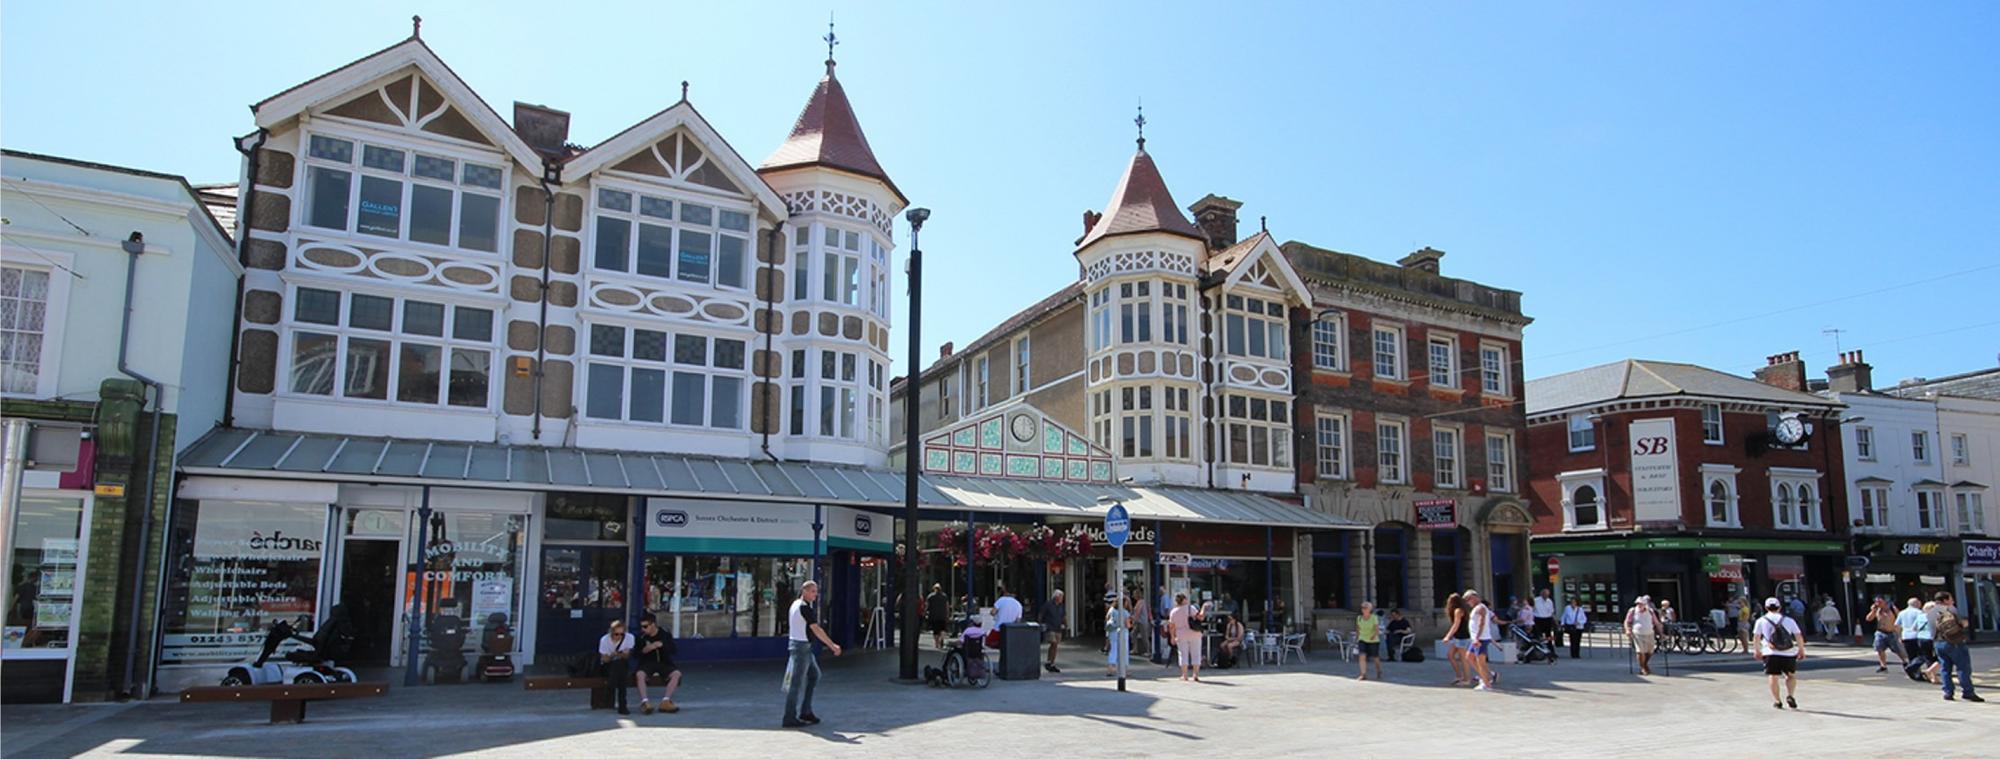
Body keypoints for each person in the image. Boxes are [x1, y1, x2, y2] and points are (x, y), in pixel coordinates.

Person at [782, 580, 841, 728]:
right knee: (796, 683)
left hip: (801, 646)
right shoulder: (804, 608)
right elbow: (816, 629)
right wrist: (832, 645)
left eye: (816, 591)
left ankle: (805, 711)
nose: (816, 595)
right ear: (805, 591)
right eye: (813, 591)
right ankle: (789, 717)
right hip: (801, 647)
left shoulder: (796, 604)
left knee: (814, 675)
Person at [1927, 591, 1982, 702]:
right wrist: (1965, 623)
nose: (1952, 601)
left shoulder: (1930, 612)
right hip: (1954, 642)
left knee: (1945, 668)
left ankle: (1948, 692)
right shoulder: (1950, 609)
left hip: (1938, 642)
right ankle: (1968, 692)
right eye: (1951, 598)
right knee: (1963, 667)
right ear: (1945, 600)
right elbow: (1961, 624)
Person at [1751, 596, 1805, 710]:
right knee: (1790, 675)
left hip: (1770, 652)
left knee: (1773, 676)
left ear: (1766, 607)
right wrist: (1801, 649)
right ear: (1779, 607)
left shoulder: (1761, 621)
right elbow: (1798, 635)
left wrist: (1757, 650)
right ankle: (1790, 695)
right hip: (1788, 652)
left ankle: (1777, 701)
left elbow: (1756, 637)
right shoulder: (1789, 620)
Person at [633, 615, 681, 715]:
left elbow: (674, 650)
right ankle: (645, 702)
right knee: (640, 675)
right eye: (642, 627)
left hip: (663, 662)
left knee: (676, 674)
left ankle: (666, 701)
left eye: (645, 626)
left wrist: (662, 645)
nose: (643, 629)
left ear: (653, 625)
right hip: (647, 663)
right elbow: (635, 654)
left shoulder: (665, 634)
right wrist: (644, 650)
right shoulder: (641, 637)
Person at [598, 619, 636, 715]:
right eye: (616, 634)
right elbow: (605, 659)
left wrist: (620, 655)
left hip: (622, 664)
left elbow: (627, 656)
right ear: (611, 633)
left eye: (621, 634)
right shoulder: (604, 640)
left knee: (620, 667)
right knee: (618, 670)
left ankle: (610, 688)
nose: (619, 637)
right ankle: (622, 705)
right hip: (608, 666)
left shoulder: (629, 638)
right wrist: (612, 655)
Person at [1168, 592, 1205, 682]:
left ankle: (1184, 675)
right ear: (1184, 600)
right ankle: (1195, 674)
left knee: (1183, 654)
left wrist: (1172, 637)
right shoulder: (1191, 608)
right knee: (1196, 653)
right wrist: (1203, 607)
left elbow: (1172, 626)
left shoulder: (1173, 611)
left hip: (1181, 634)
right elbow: (1201, 617)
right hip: (1194, 633)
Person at [1863, 596, 1905, 672]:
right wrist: (1873, 611)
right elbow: (1868, 619)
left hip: (1891, 632)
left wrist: (1900, 632)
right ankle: (1883, 665)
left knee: (1897, 649)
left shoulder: (1892, 608)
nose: (1877, 603)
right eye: (1876, 602)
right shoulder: (1877, 610)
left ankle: (1905, 661)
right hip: (1880, 632)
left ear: (1885, 602)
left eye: (1879, 602)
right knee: (1879, 648)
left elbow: (1900, 618)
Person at [1466, 590, 1497, 691]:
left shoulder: (1481, 608)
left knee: (1481, 661)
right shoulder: (1477, 608)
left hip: (1481, 639)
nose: (1467, 602)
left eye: (1468, 599)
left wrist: (1477, 638)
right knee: (1469, 657)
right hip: (1476, 638)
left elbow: (1481, 623)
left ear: (1474, 597)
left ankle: (1487, 684)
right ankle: (1485, 676)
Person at [1624, 595, 1660, 676]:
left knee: (1650, 652)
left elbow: (1656, 622)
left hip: (1650, 633)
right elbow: (1627, 621)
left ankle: (1645, 664)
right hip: (1637, 633)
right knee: (1640, 652)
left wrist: (1661, 633)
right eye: (1638, 603)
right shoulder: (1632, 611)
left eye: (1641, 603)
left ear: (1645, 604)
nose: (1639, 605)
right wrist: (1627, 630)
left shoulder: (1650, 611)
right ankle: (1643, 668)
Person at [1442, 593, 1471, 686]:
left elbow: (1456, 625)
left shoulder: (1458, 611)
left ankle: (1467, 679)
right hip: (1458, 637)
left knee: (1463, 659)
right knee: (1450, 655)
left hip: (1462, 637)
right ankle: (1459, 675)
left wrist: (1448, 636)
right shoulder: (1460, 610)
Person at [1038, 590, 1066, 673]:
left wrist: (1065, 624)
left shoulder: (1061, 606)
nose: (1062, 598)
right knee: (1053, 643)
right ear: (1056, 597)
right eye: (1061, 597)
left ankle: (1051, 662)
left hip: (1058, 627)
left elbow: (1063, 616)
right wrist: (1040, 623)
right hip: (1050, 627)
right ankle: (1050, 662)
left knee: (1055, 645)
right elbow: (1041, 614)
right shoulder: (1048, 605)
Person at [1104, 592, 1131, 677]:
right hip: (1123, 632)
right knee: (1124, 651)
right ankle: (1125, 670)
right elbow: (1127, 624)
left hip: (1113, 632)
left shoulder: (1111, 610)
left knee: (1113, 649)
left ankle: (1110, 668)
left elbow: (1107, 618)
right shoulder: (1125, 612)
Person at [1355, 602, 1384, 681]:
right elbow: (1358, 628)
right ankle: (1363, 674)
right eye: (1363, 608)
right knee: (1362, 656)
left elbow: (1377, 629)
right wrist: (1357, 637)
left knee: (1375, 657)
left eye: (1366, 608)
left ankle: (1379, 671)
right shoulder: (1359, 618)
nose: (1364, 610)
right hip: (1362, 638)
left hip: (1373, 640)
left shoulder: (1374, 617)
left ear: (1369, 609)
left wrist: (1374, 635)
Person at [925, 583, 950, 649]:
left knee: (935, 631)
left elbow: (926, 606)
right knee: (942, 630)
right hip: (942, 616)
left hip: (933, 616)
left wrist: (925, 613)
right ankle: (940, 639)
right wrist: (947, 615)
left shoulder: (930, 596)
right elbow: (947, 607)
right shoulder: (944, 596)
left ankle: (936, 643)